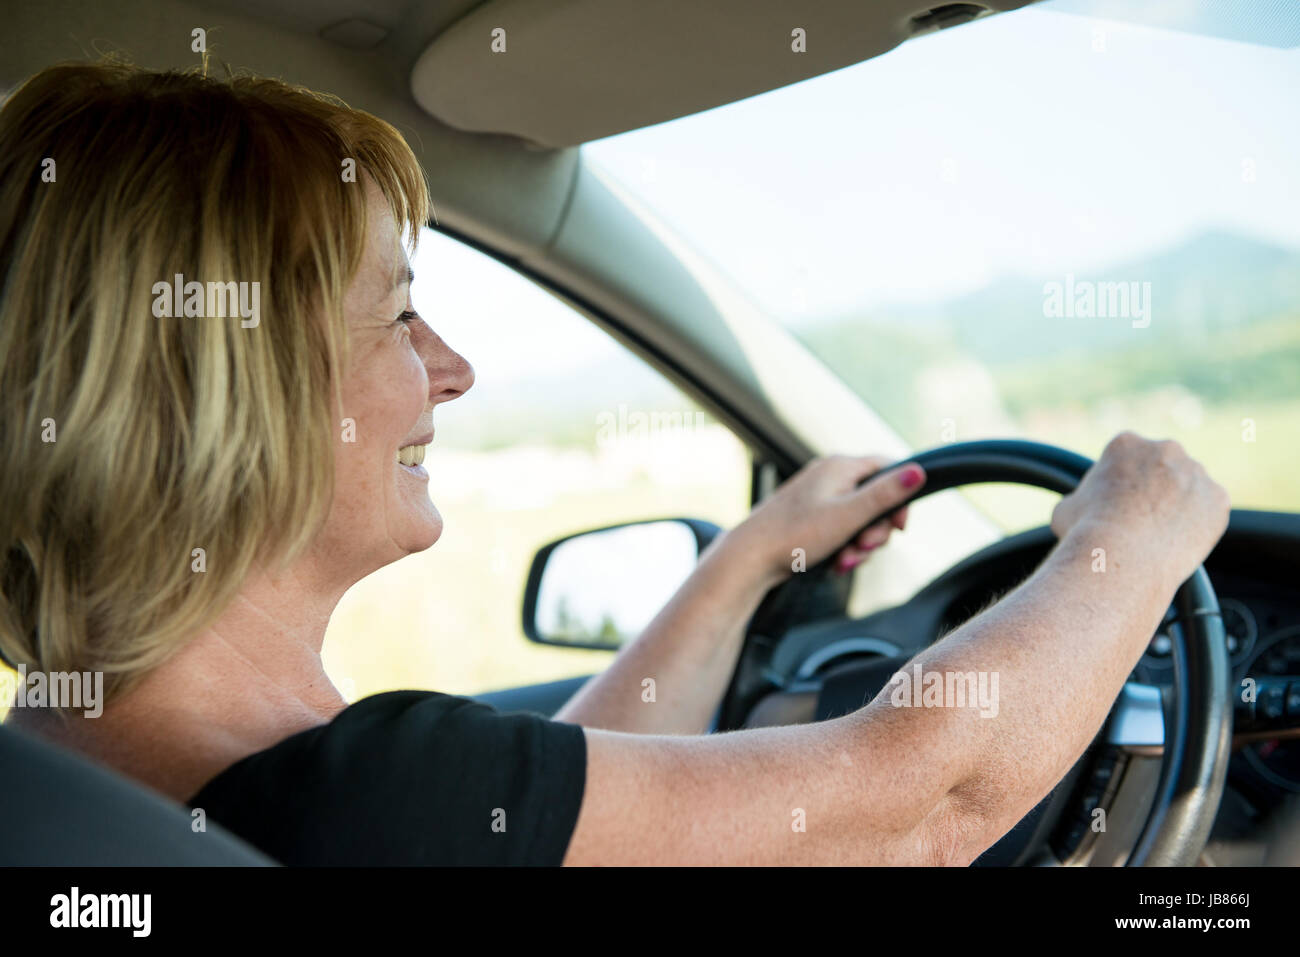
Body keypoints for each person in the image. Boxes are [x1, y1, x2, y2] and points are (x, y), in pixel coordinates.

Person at [0, 61, 1230, 865]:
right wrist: (1138, 530)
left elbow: (532, 821)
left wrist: (744, 562)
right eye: (397, 316)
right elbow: (926, 806)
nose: (454, 367)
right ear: (237, 389)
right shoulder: (356, 798)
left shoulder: (69, 774)